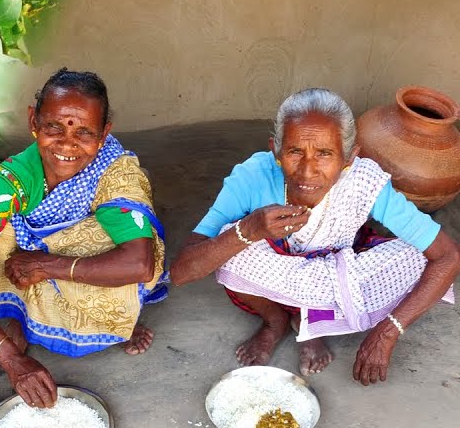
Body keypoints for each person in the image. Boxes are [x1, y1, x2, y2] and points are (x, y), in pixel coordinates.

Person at [170, 88, 460, 384]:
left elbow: (448, 256)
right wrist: (248, 230)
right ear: (276, 151)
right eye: (295, 151)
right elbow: (182, 271)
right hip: (273, 273)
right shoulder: (253, 175)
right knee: (227, 243)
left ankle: (311, 321)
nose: (308, 171)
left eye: (324, 154)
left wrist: (388, 332)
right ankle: (276, 321)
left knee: (416, 258)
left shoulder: (364, 181)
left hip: (332, 270)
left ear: (350, 157)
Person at [0, 69, 167, 408]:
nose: (67, 144)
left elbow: (139, 263)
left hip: (51, 267)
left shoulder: (115, 170)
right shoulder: (4, 188)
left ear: (104, 134)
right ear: (33, 121)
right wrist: (11, 361)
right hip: (23, 270)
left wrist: (45, 264)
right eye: (53, 127)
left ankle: (117, 322)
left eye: (85, 132)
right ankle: (20, 320)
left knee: (108, 239)